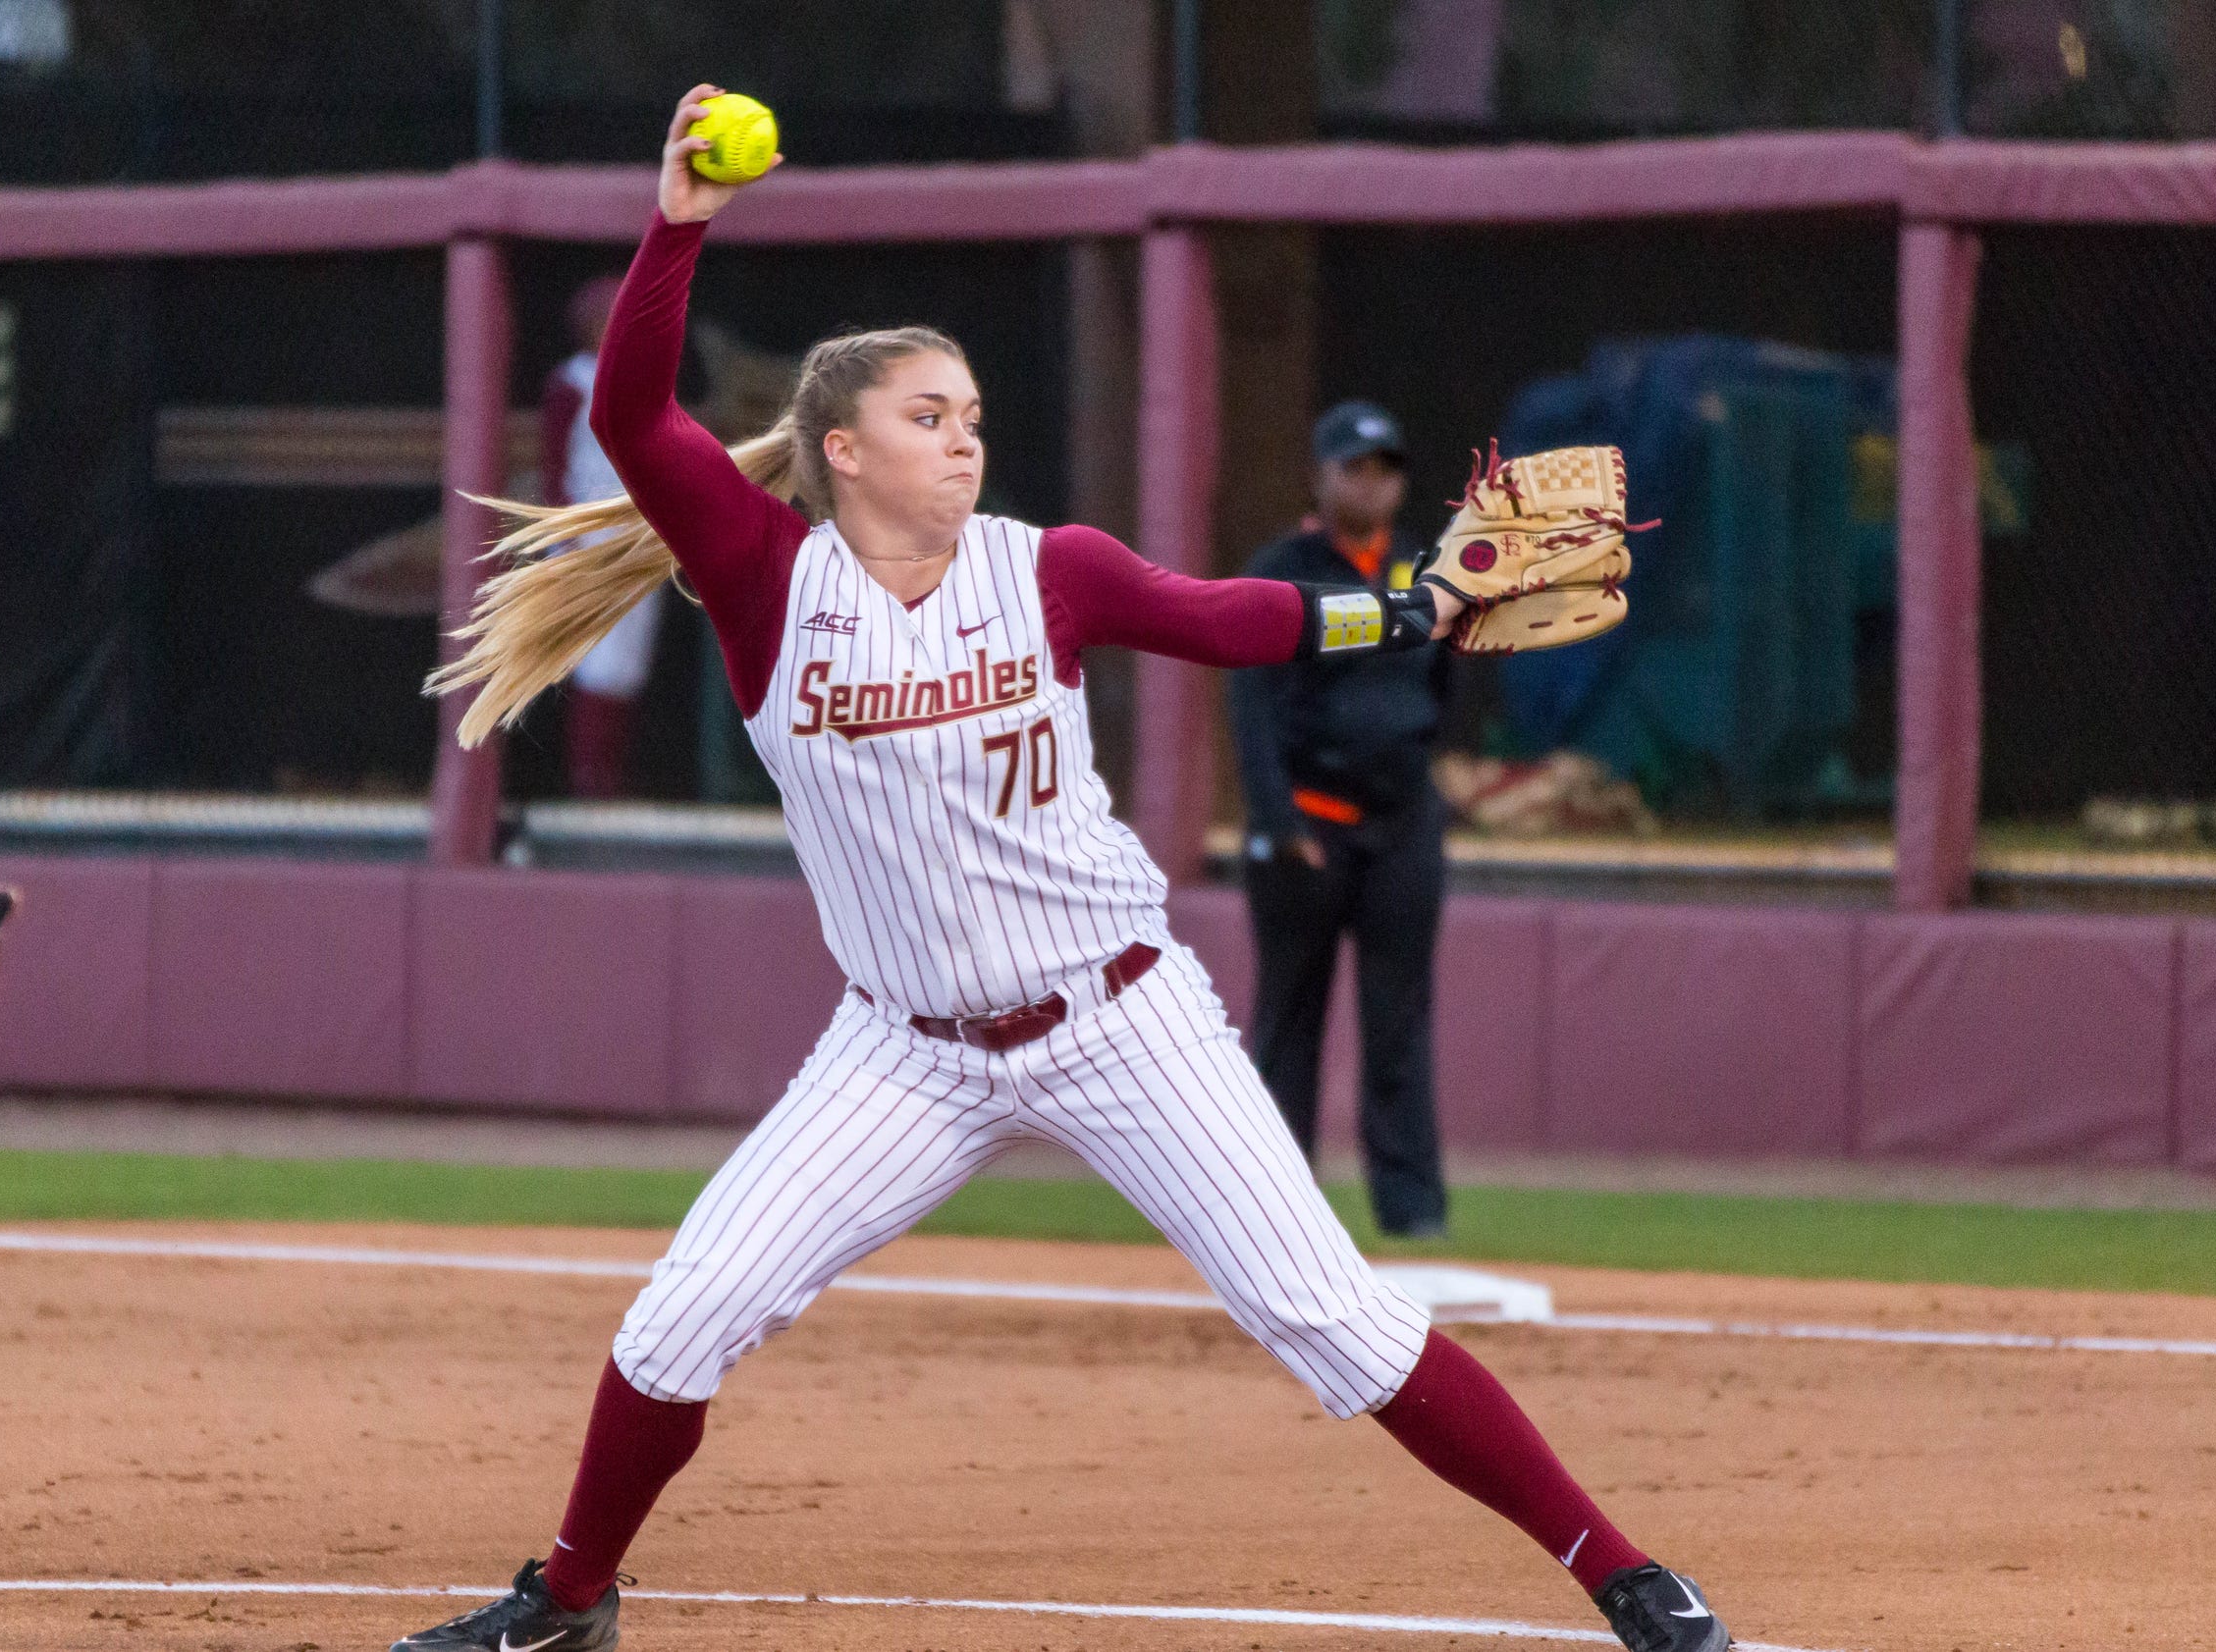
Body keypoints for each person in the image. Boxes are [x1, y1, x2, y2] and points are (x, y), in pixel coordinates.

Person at [397, 88, 1733, 1652]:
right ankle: (567, 1597)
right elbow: (633, 419)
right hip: (903, 1049)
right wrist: (680, 218)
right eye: (924, 415)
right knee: (680, 1315)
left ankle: (1623, 1572)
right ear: (838, 450)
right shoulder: (768, 581)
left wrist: (1408, 608)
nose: (962, 434)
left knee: (1333, 1317)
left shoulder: (1048, 567)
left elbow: (1230, 615)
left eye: (970, 413)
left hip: (1120, 1016)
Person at [1228, 400, 1453, 1238]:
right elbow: (1248, 705)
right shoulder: (1283, 567)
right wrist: (1275, 818)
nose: (1372, 482)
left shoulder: (1424, 570)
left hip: (1403, 824)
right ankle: (1278, 1216)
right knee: (1291, 1022)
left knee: (1400, 1020)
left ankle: (1413, 1212)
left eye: (1385, 468)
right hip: (1309, 823)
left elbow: (1439, 692)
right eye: (1355, 467)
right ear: (1319, 477)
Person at [540, 273, 661, 797]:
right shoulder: (573, 381)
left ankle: (612, 780)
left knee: (629, 664)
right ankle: (589, 785)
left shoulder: (644, 380)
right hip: (590, 534)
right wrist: (562, 538)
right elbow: (555, 466)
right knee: (599, 661)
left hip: (640, 533)